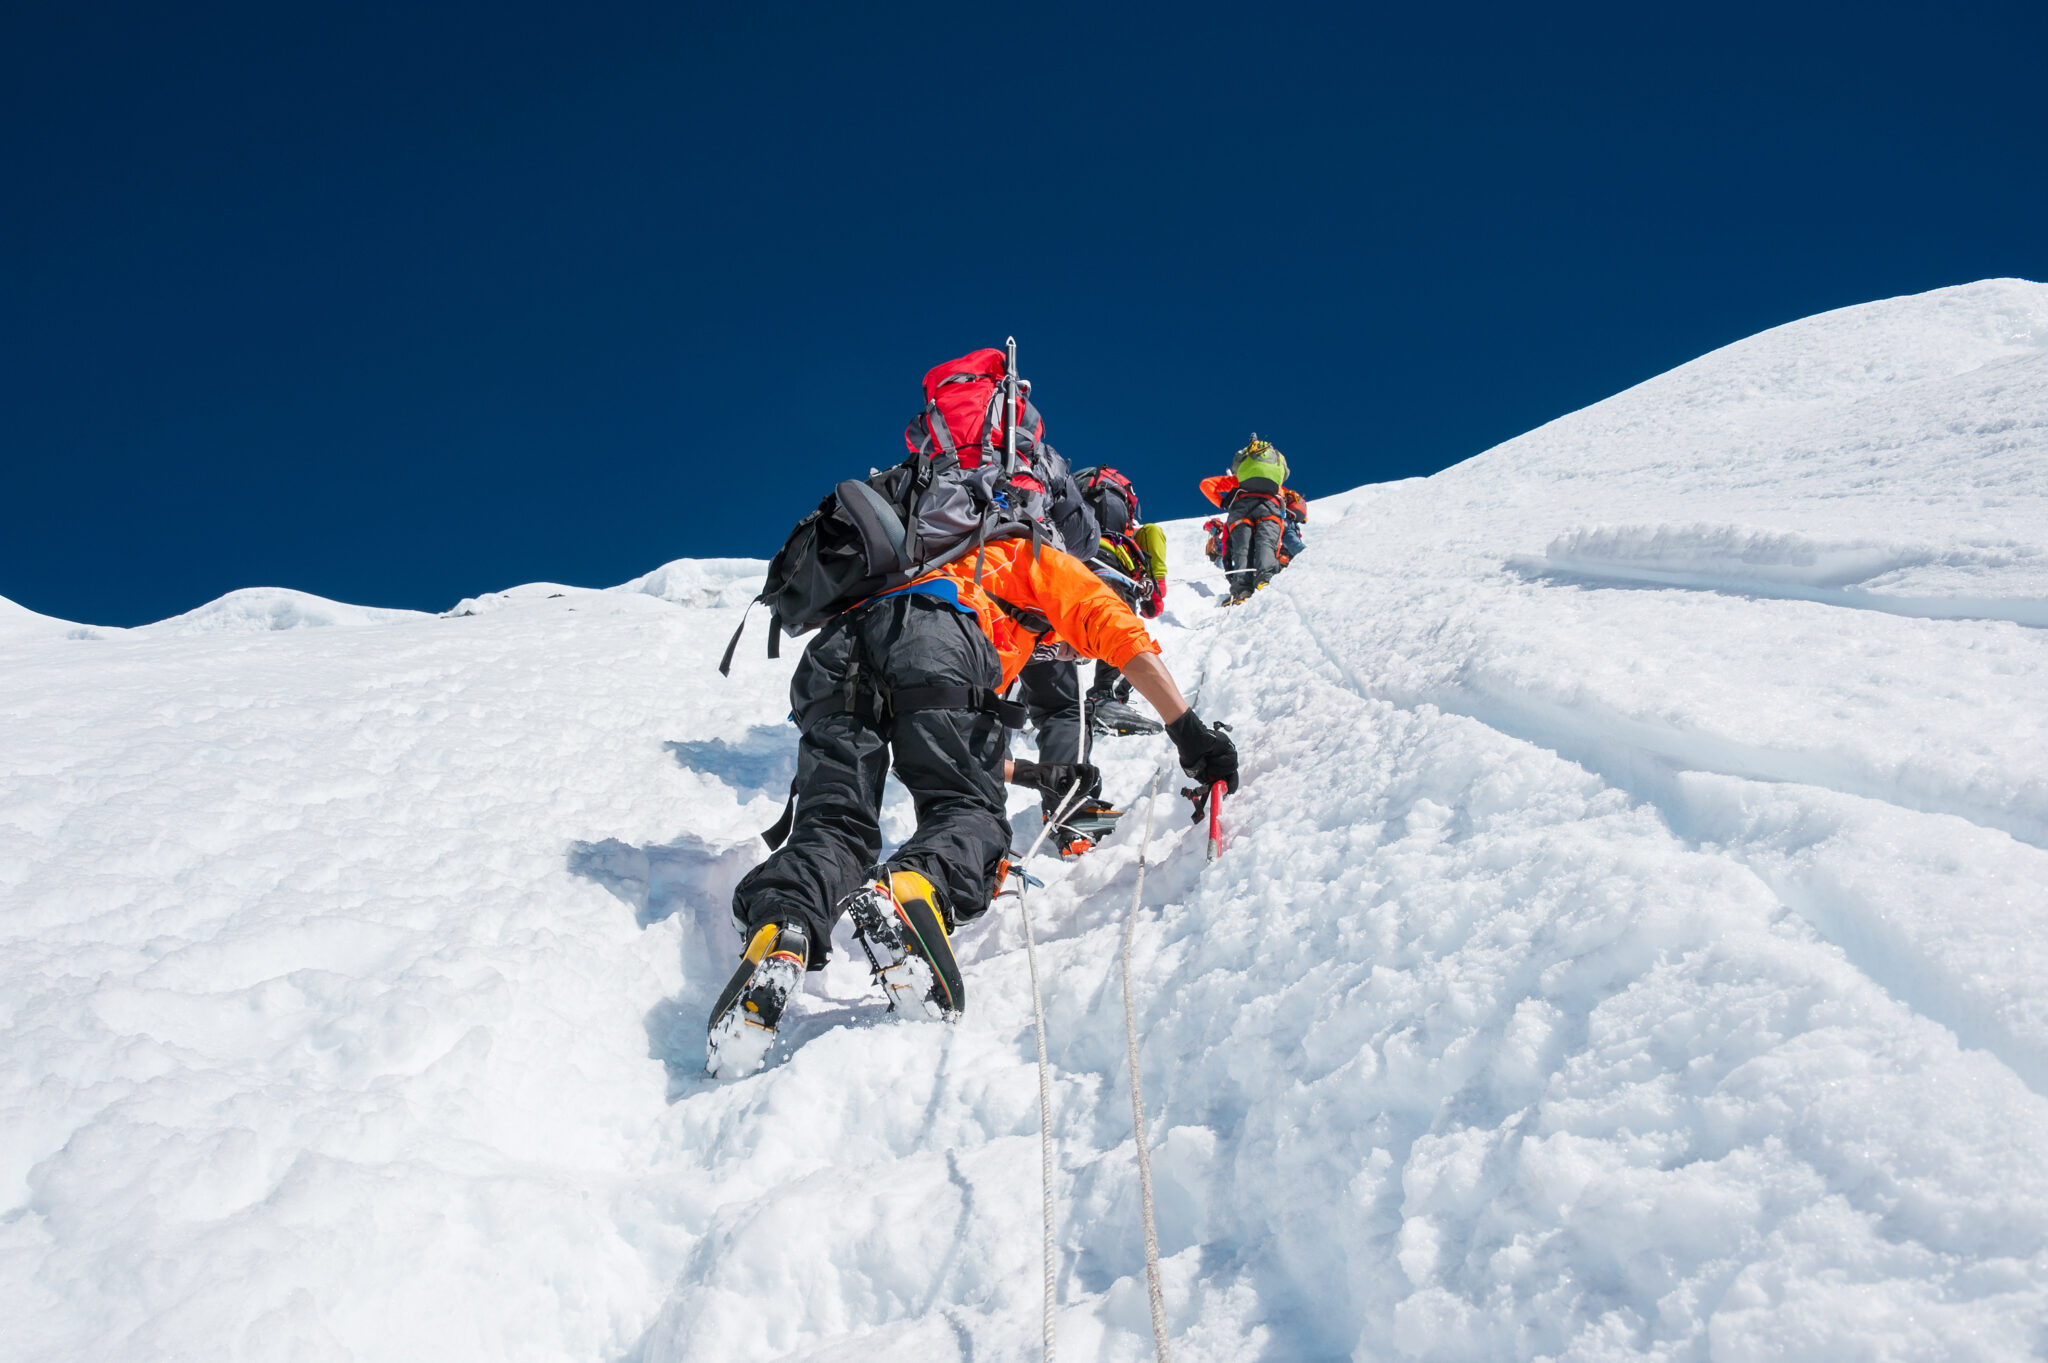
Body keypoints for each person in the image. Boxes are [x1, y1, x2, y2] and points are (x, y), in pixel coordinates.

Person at [708, 385, 1239, 1077]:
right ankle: (915, 888)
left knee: (833, 823)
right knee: (966, 817)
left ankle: (780, 930)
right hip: (934, 637)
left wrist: (1041, 776)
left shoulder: (921, 558)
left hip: (835, 651)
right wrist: (1190, 733)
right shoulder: (1029, 557)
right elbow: (1118, 634)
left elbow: (932, 736)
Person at [1200, 435, 1293, 604]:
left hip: (1241, 509)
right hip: (1270, 505)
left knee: (1242, 548)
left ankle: (1241, 589)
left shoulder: (1238, 481)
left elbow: (1206, 484)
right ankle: (1265, 579)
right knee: (1267, 541)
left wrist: (1222, 502)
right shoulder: (1278, 487)